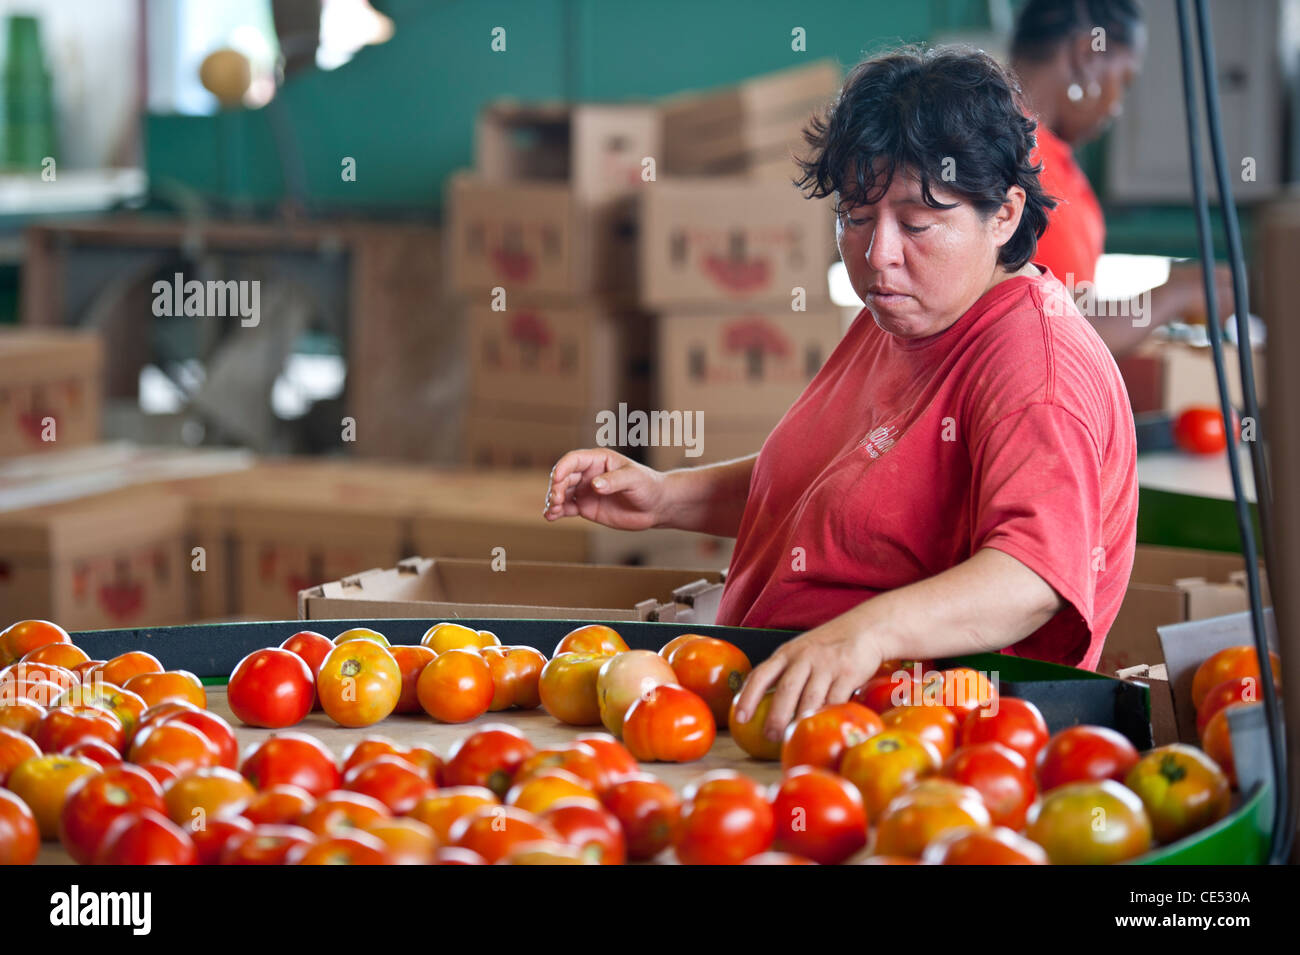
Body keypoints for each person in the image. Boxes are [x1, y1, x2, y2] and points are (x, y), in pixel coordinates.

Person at [544, 46, 1138, 741]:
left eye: (917, 223)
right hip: (789, 709)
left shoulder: (1033, 367)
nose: (878, 253)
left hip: (914, 744)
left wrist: (863, 636)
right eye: (856, 217)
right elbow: (828, 486)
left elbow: (1033, 575)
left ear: (1004, 214)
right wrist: (668, 496)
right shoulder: (904, 313)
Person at [1010, 0, 1235, 356]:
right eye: (1125, 80)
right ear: (1086, 55)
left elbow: (1073, 305)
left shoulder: (1054, 159)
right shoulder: (1007, 155)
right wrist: (1174, 295)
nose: (1117, 105)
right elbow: (1053, 326)